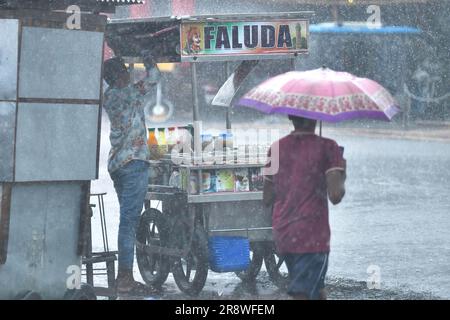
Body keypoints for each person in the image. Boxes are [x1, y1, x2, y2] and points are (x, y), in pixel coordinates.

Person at [263, 115, 346, 300]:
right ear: (316, 117)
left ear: (290, 116)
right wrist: (342, 172)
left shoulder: (276, 149)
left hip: (284, 234)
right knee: (303, 293)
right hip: (312, 235)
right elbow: (335, 196)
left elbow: (267, 197)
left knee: (316, 290)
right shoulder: (328, 147)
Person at [103, 55, 160, 295]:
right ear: (119, 76)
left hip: (117, 164)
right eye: (125, 71)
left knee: (128, 220)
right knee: (128, 223)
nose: (128, 73)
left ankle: (125, 275)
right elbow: (154, 77)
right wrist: (147, 57)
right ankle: (125, 278)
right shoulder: (128, 93)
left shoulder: (109, 96)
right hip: (134, 163)